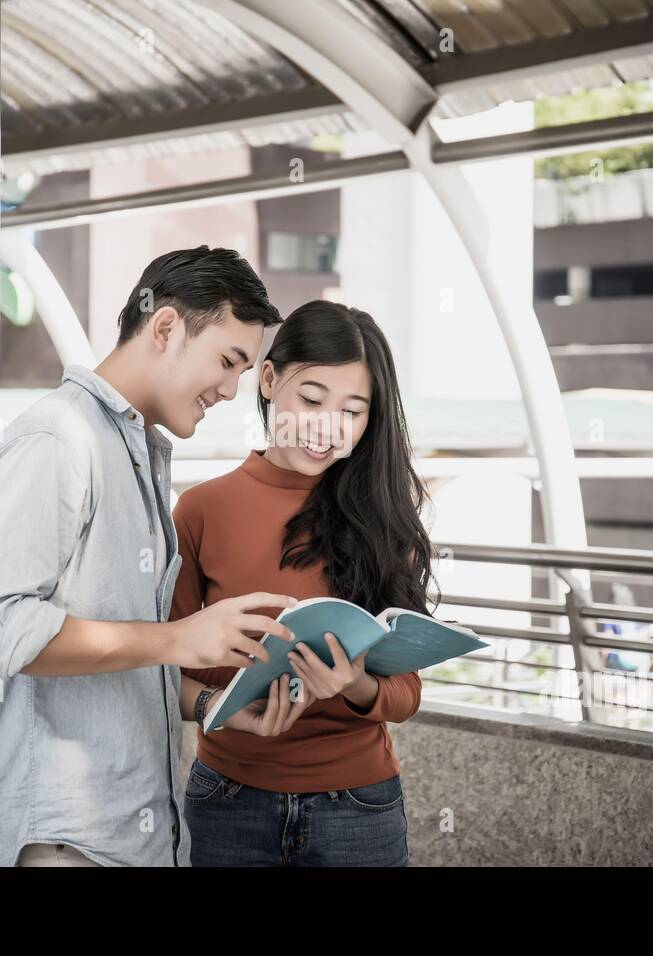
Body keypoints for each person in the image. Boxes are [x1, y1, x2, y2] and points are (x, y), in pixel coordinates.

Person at [0, 246, 312, 868]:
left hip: (127, 837)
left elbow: (121, 661)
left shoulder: (135, 451)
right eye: (227, 362)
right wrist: (178, 639)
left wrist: (212, 707)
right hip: (69, 843)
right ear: (165, 327)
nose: (230, 390)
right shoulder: (58, 441)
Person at [171, 299, 435, 866]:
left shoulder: (382, 516)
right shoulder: (200, 511)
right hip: (228, 801)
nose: (326, 428)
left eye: (352, 411)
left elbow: (406, 694)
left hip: (358, 809)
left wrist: (356, 686)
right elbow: (166, 678)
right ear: (268, 381)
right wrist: (224, 703)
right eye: (312, 399)